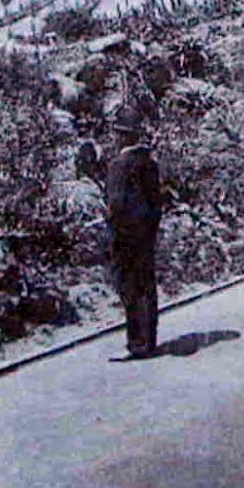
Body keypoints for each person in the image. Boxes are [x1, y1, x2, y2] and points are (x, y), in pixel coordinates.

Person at [104, 111, 164, 360]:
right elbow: (157, 201)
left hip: (126, 235)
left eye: (116, 133)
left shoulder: (119, 165)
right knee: (146, 285)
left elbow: (116, 204)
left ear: (122, 136)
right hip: (147, 233)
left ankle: (137, 343)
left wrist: (111, 225)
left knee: (129, 286)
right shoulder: (149, 163)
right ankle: (148, 340)